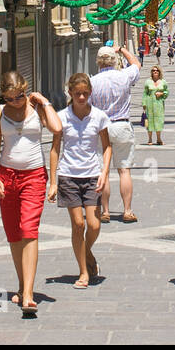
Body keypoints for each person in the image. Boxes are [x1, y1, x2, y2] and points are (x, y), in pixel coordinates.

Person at [0, 71, 62, 316]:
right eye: (9, 99)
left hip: (34, 176)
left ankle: (28, 294)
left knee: (29, 229)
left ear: (25, 89)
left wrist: (44, 101)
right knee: (13, 233)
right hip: (7, 176)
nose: (15, 102)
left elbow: (57, 128)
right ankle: (22, 284)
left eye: (19, 97)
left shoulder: (36, 107)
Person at [50, 72, 112, 289]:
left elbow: (107, 146)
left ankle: (85, 251)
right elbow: (55, 147)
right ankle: (83, 272)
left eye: (86, 93)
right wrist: (53, 181)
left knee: (94, 225)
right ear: (70, 93)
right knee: (78, 224)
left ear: (91, 93)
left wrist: (104, 173)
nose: (82, 98)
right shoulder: (61, 117)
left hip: (92, 175)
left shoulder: (99, 116)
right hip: (68, 175)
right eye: (78, 94)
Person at [89, 43, 141, 223]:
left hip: (101, 128)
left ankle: (105, 211)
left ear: (98, 62)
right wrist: (123, 50)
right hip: (122, 126)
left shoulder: (92, 81)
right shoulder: (124, 77)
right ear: (115, 60)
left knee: (103, 171)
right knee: (124, 170)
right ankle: (127, 211)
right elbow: (136, 64)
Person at [142, 66, 168, 145]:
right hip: (149, 103)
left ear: (159, 72)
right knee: (149, 121)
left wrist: (161, 93)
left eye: (157, 70)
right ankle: (150, 139)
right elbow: (145, 93)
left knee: (159, 121)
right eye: (153, 70)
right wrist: (144, 104)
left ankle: (159, 138)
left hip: (159, 104)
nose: (155, 72)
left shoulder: (163, 82)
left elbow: (167, 92)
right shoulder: (148, 82)